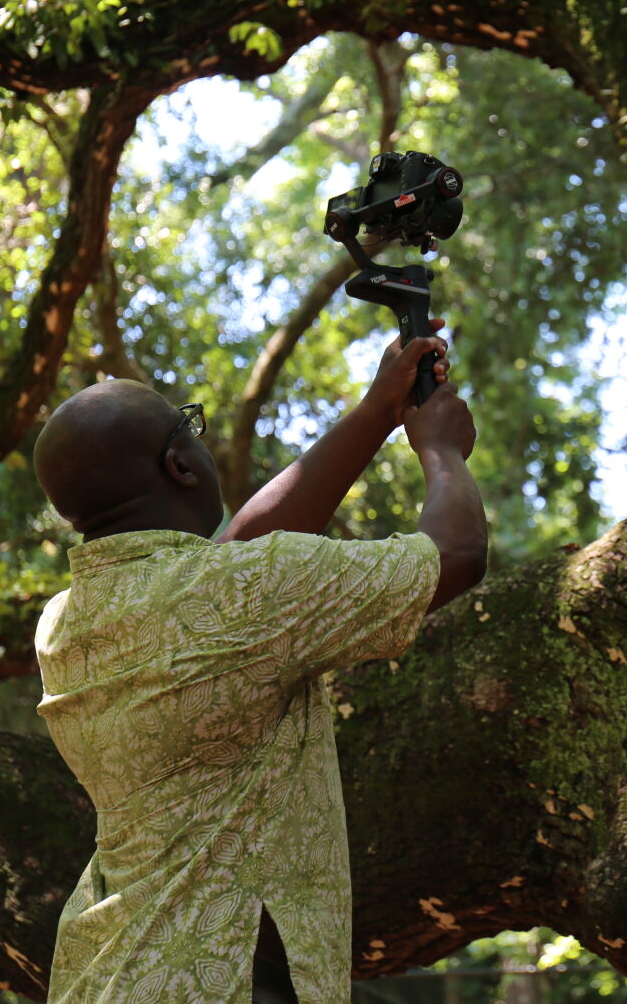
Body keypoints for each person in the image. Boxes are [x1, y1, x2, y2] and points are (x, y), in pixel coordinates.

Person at [31, 325, 486, 1004]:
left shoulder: (63, 626)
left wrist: (375, 413)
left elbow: (236, 557)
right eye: (190, 427)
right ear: (179, 465)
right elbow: (453, 555)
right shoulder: (242, 597)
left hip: (110, 975)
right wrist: (440, 447)